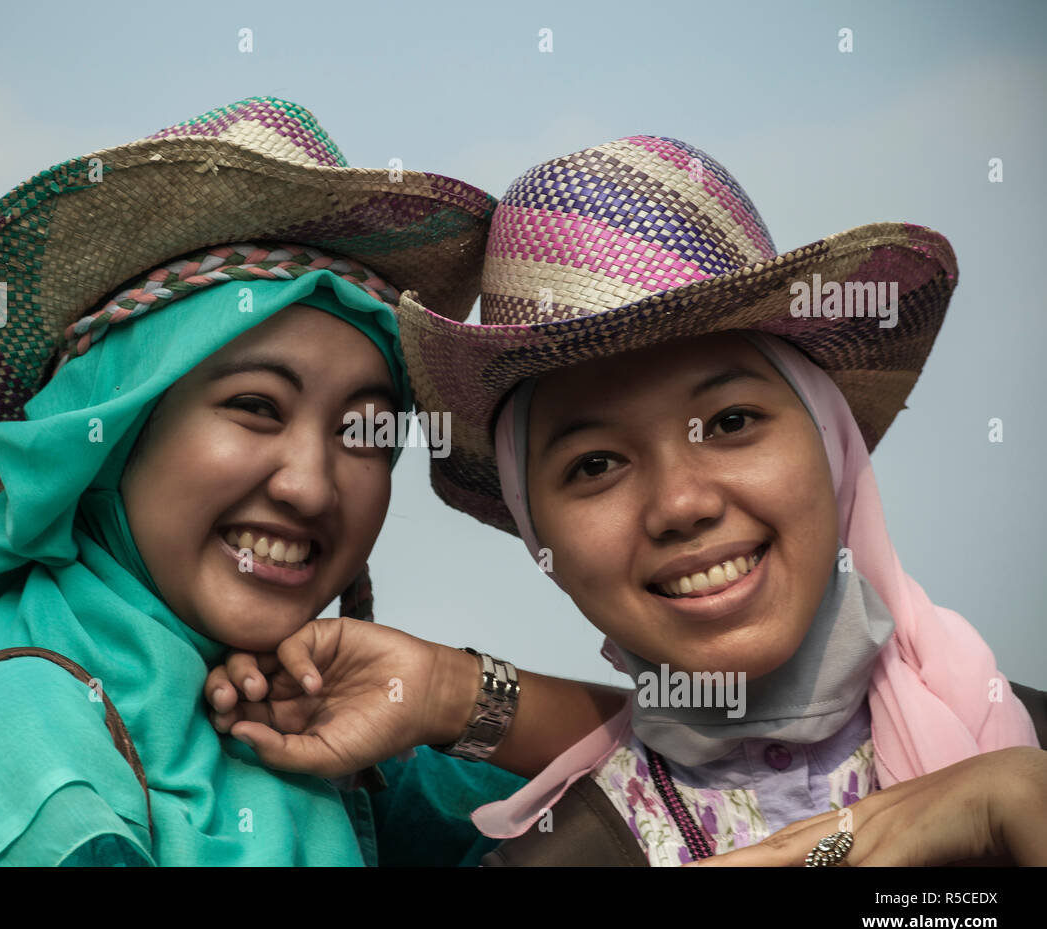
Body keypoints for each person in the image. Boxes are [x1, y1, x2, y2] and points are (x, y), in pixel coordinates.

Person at [206, 134, 1047, 866]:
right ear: (543, 539)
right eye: (596, 464)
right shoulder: (547, 855)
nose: (680, 502)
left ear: (830, 448)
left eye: (730, 420)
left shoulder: (1028, 764)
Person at [0, 96, 628, 867]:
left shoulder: (317, 741)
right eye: (257, 407)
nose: (312, 487)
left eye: (362, 430)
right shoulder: (27, 756)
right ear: (115, 436)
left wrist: (447, 691)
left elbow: (701, 787)